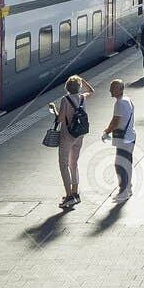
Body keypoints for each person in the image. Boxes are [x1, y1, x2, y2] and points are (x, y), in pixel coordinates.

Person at [51, 75, 93, 209]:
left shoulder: (65, 99)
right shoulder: (82, 97)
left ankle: (69, 196)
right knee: (73, 163)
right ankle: (75, 193)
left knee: (63, 164)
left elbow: (61, 119)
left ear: (67, 87)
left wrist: (54, 109)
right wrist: (82, 80)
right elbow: (91, 90)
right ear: (79, 87)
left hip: (67, 136)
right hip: (80, 135)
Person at [101, 79, 136, 201]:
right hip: (130, 136)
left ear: (120, 89)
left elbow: (115, 122)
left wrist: (106, 132)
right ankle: (128, 188)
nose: (110, 90)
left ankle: (123, 192)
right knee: (127, 163)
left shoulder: (119, 103)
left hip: (124, 139)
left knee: (120, 165)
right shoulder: (128, 99)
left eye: (113, 88)